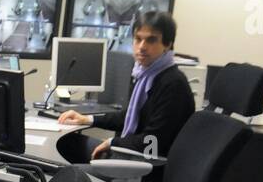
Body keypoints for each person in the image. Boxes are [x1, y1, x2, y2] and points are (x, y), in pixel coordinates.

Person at [55, 11, 193, 170]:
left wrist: (113, 143)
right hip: (130, 153)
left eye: (151, 40)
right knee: (66, 143)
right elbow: (130, 117)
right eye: (138, 39)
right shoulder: (145, 74)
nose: (142, 47)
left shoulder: (173, 84)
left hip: (146, 166)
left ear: (167, 44)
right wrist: (88, 119)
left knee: (64, 172)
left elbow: (153, 142)